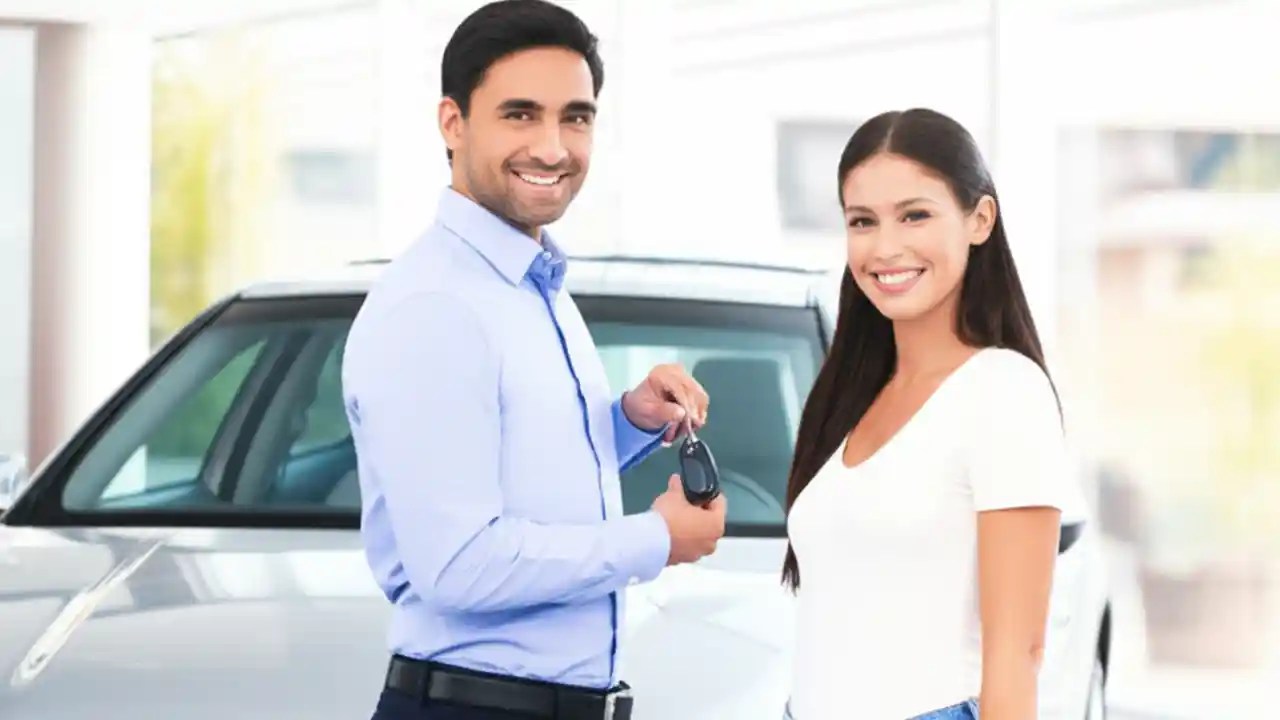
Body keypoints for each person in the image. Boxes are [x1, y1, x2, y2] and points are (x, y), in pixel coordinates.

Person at [340, 2, 727, 718]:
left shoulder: (527, 284)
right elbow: (460, 566)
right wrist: (658, 539)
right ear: (453, 123)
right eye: (520, 114)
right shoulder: (439, 307)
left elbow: (519, 478)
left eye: (575, 117)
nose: (553, 148)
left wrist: (628, 423)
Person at [779, 109, 1086, 720]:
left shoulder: (1004, 391)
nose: (885, 246)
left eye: (914, 215)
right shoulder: (853, 394)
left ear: (980, 219)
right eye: (862, 221)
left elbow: (1017, 654)